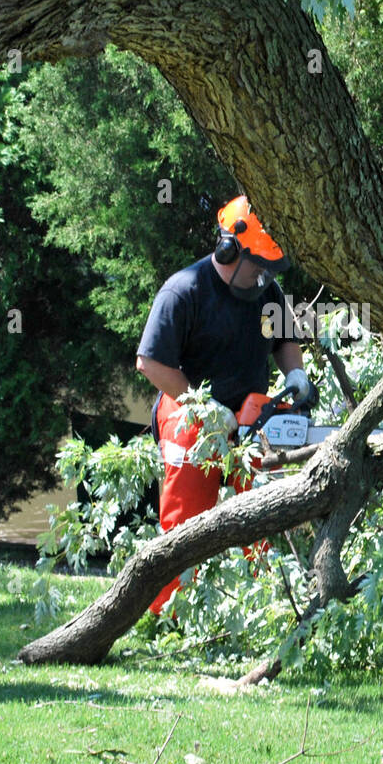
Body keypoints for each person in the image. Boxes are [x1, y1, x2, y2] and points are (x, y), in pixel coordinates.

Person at [136, 195, 312, 614]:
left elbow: (285, 340)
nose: (263, 276)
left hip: (251, 418)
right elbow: (150, 362)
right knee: (186, 526)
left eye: (270, 269)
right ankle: (171, 613)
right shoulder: (184, 290)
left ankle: (269, 611)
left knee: (266, 515)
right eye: (258, 266)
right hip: (191, 417)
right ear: (227, 249)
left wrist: (295, 375)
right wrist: (204, 408)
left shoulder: (266, 289)